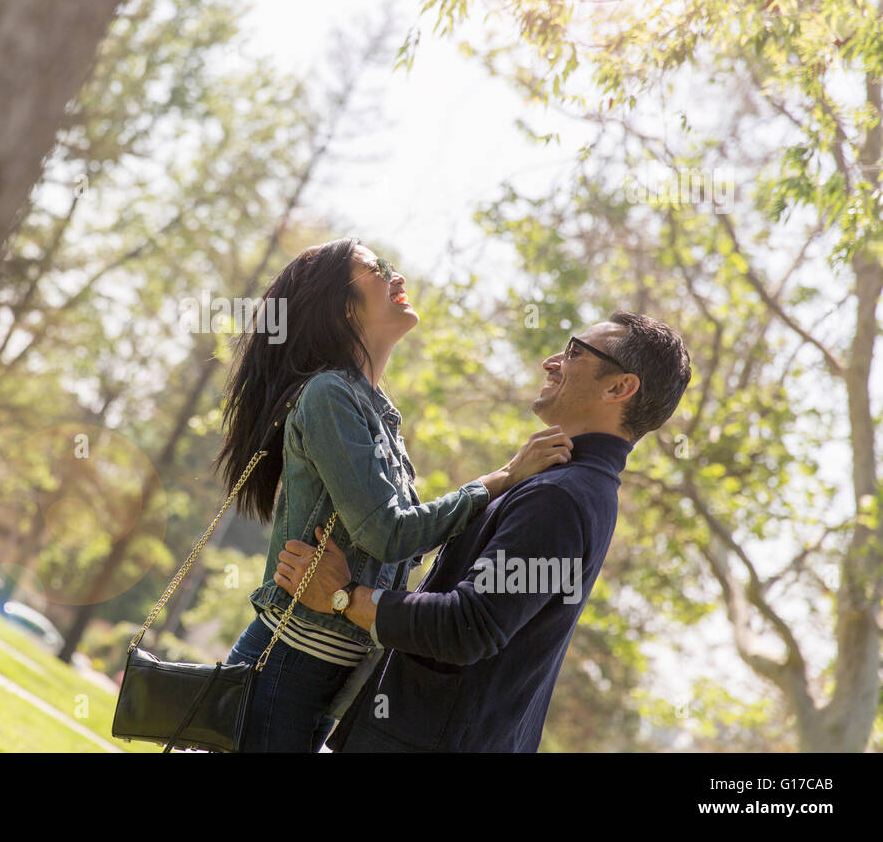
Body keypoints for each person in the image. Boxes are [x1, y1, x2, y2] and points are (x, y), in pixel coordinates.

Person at [215, 237, 574, 753]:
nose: (396, 275)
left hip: (328, 671)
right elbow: (389, 532)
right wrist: (502, 478)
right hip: (287, 662)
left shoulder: (379, 411)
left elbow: (399, 539)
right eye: (376, 268)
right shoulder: (329, 396)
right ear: (342, 305)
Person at [274, 312, 692, 751]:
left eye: (573, 352)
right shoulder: (571, 485)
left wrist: (342, 597)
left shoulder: (563, 497)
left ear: (618, 388)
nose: (551, 362)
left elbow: (468, 626)